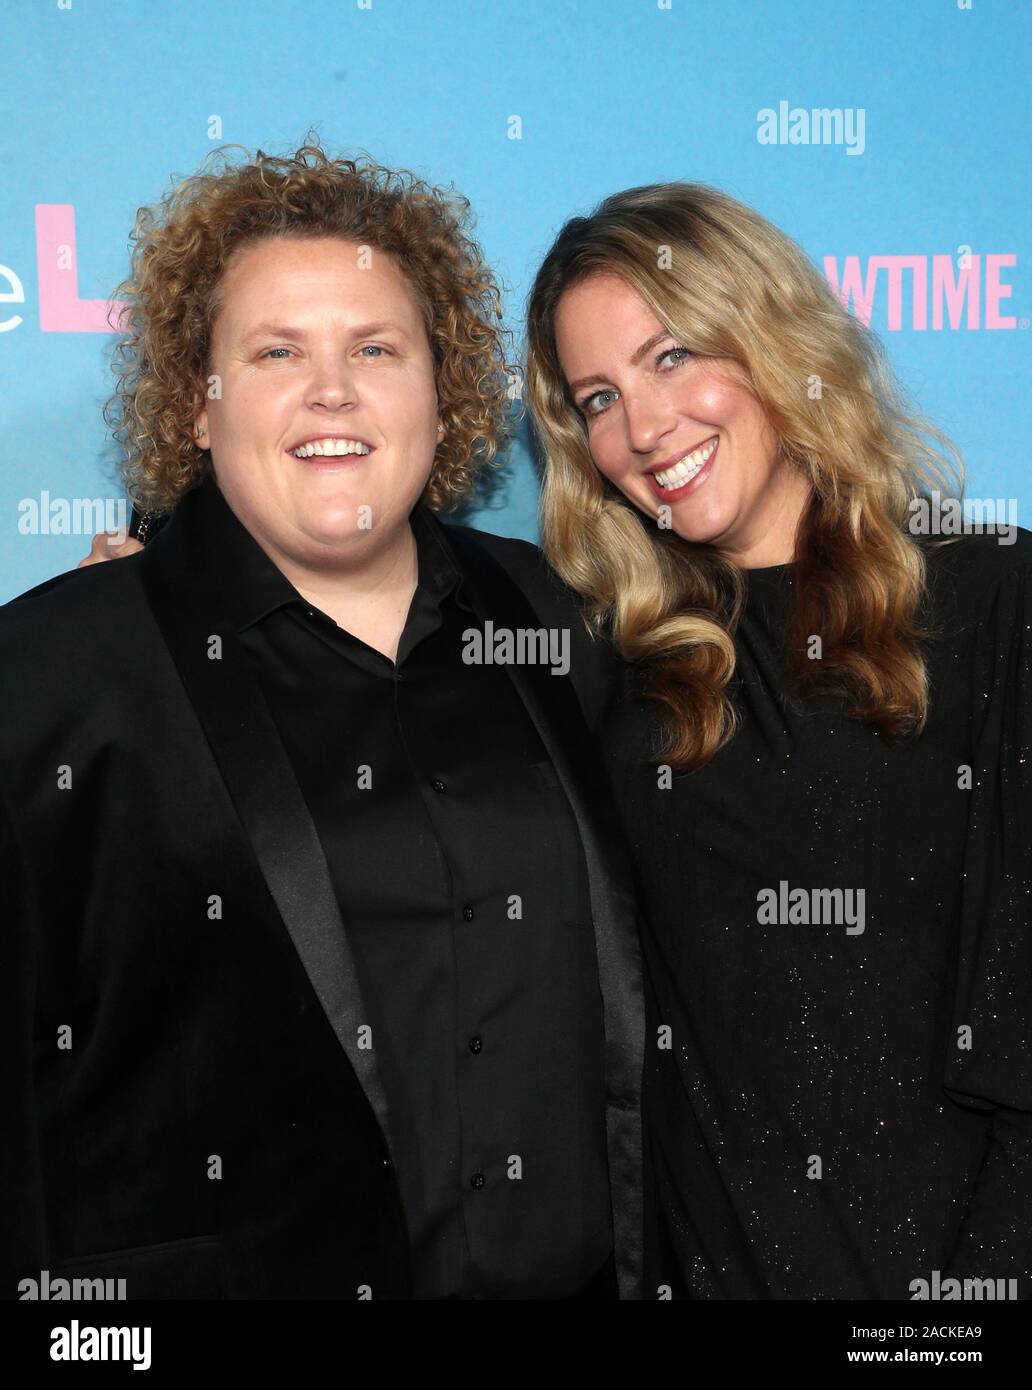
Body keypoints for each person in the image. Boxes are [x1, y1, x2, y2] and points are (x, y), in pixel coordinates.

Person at [0, 144, 647, 1301]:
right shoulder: (55, 672)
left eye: (376, 349)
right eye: (275, 352)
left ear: (441, 396)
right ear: (193, 407)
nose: (332, 390)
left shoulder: (563, 621)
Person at [524, 180, 1032, 1299]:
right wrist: (141, 614)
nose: (643, 430)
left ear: (774, 335)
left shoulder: (998, 602)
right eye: (597, 397)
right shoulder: (604, 657)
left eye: (669, 357)